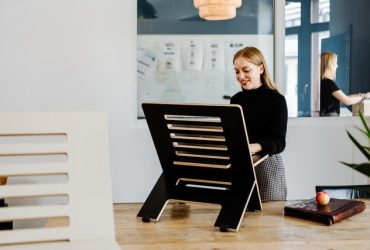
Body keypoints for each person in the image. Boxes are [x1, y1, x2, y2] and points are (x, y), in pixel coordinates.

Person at [231, 47, 288, 201]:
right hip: (240, 164)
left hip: (267, 167)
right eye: (237, 71)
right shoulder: (236, 100)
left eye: (246, 70)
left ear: (261, 69)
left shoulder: (277, 100)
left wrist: (251, 147)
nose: (240, 76)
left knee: (267, 221)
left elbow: (279, 142)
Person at [320, 51, 370, 116]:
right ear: (329, 65)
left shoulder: (322, 82)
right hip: (330, 119)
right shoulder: (329, 83)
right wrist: (366, 96)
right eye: (335, 63)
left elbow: (342, 98)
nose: (337, 66)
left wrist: (361, 95)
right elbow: (347, 101)